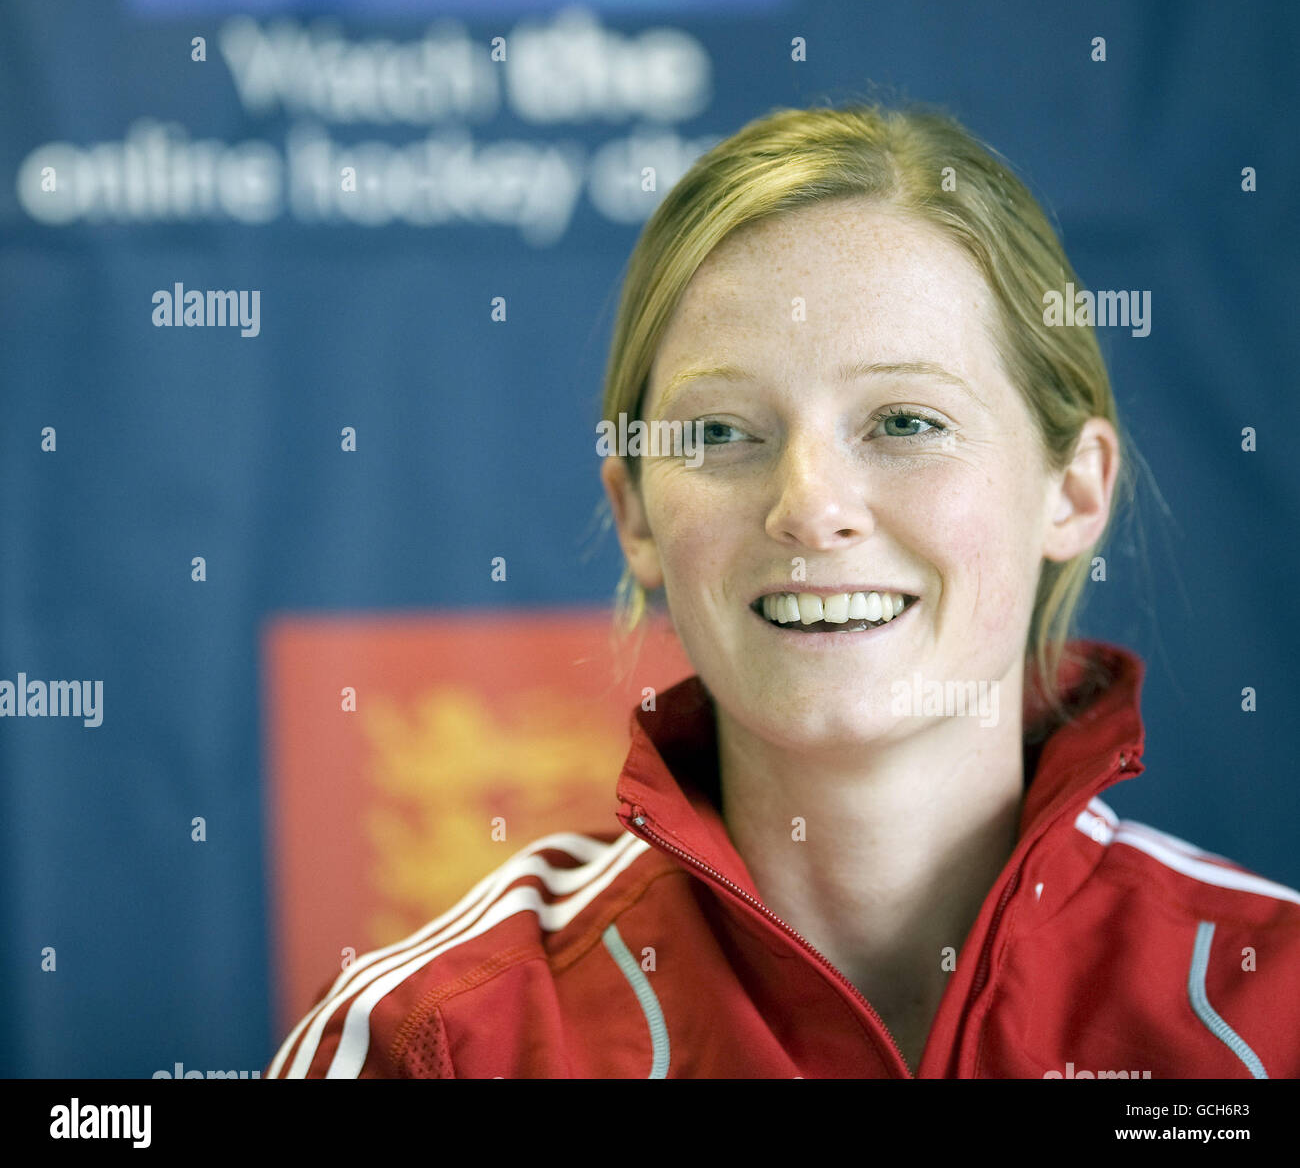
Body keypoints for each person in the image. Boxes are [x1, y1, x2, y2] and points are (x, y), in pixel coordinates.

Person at [266, 102, 1300, 1079]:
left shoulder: (1272, 1006)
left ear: (1071, 491)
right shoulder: (437, 1045)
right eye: (719, 433)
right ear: (636, 516)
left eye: (904, 422)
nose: (809, 508)